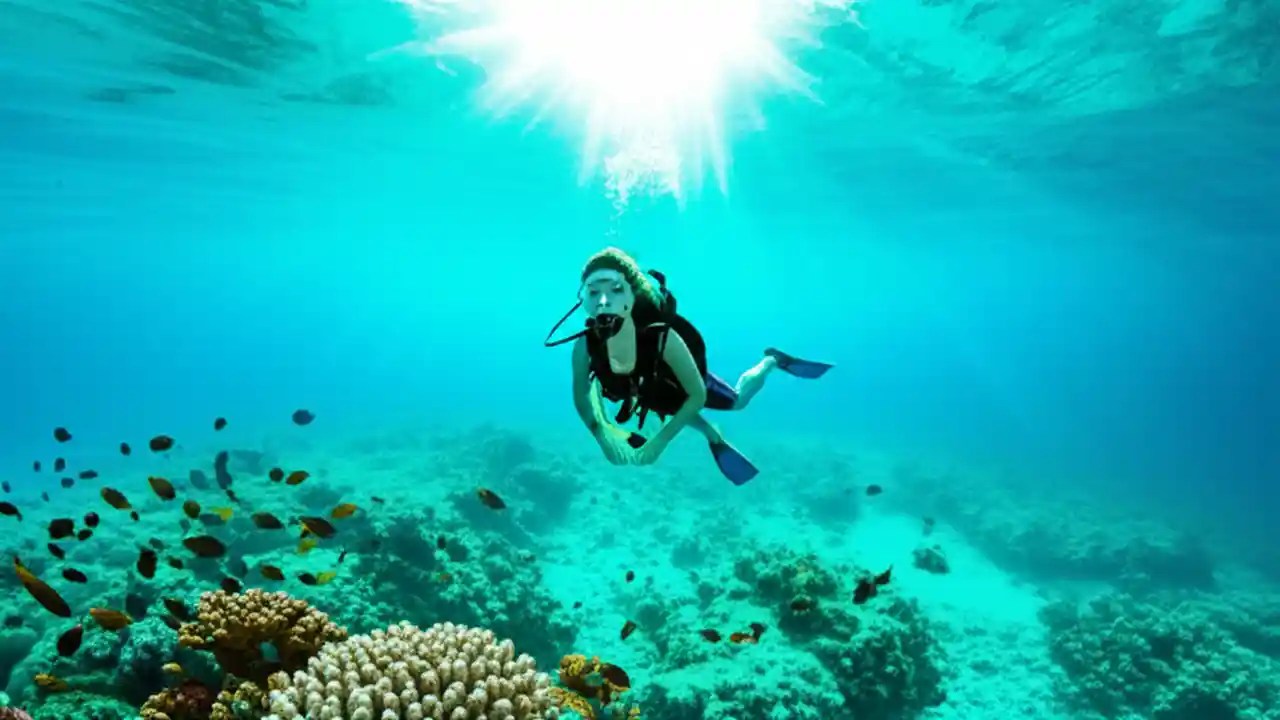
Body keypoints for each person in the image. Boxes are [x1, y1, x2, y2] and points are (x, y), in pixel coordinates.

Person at [545, 247, 832, 484]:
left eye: (616, 289)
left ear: (633, 293)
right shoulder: (584, 345)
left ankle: (772, 360)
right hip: (651, 390)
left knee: (737, 402)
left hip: (685, 382)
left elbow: (696, 395)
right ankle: (711, 432)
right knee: (661, 401)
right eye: (593, 293)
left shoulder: (661, 337)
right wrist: (603, 434)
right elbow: (583, 395)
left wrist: (658, 443)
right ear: (583, 298)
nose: (604, 301)